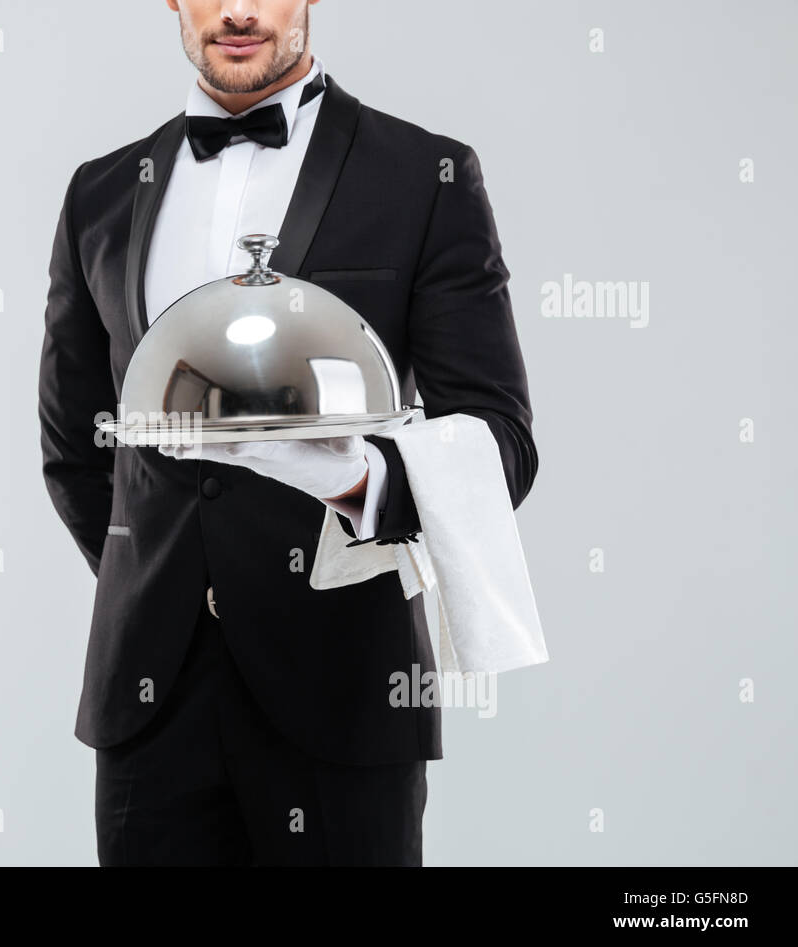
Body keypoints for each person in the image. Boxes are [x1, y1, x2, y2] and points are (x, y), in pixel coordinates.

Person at [39, 0, 536, 865]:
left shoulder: (426, 175)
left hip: (345, 686)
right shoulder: (103, 191)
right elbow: (77, 448)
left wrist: (351, 481)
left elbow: (498, 440)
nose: (235, 11)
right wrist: (162, 575)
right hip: (149, 702)